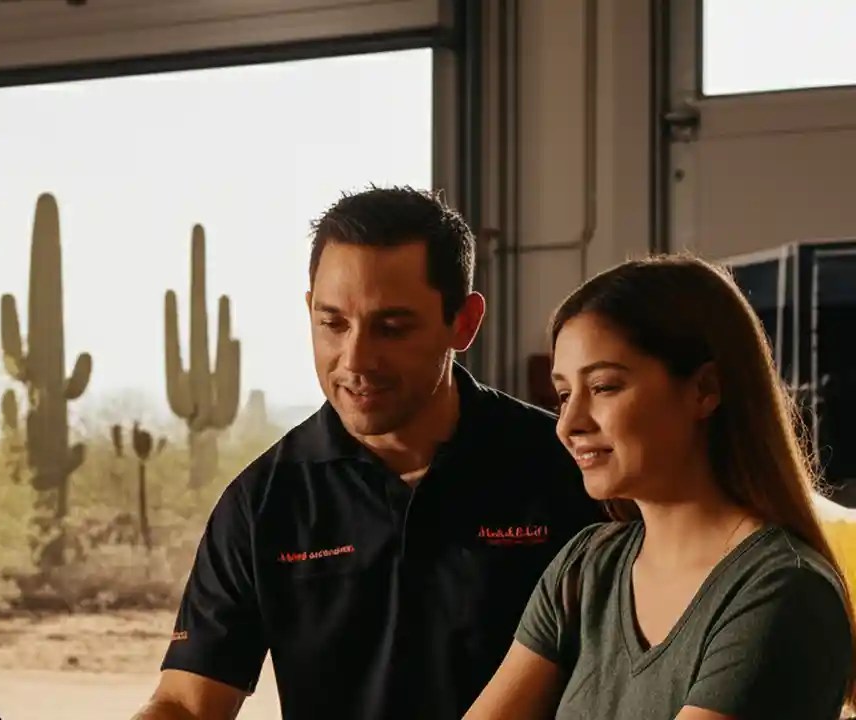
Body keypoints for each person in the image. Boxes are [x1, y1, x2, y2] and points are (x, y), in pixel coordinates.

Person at [132, 186, 605, 720]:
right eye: (333, 323)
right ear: (309, 309)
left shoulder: (566, 471)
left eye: (392, 327)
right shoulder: (265, 501)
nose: (355, 359)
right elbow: (187, 705)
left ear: (463, 323)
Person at [464, 253, 856, 720]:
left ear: (704, 389)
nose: (568, 424)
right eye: (564, 394)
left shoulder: (783, 590)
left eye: (605, 386)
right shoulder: (587, 566)